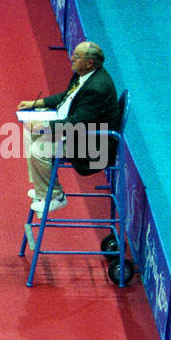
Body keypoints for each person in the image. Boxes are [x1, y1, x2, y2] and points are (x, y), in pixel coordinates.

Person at [15, 40, 118, 214]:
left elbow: (77, 124)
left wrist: (44, 126)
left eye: (76, 56)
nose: (71, 58)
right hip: (76, 129)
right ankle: (43, 190)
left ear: (89, 62)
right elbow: (67, 97)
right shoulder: (83, 74)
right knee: (28, 132)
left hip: (91, 143)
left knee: (37, 150)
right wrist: (37, 103)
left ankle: (56, 196)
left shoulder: (97, 88)